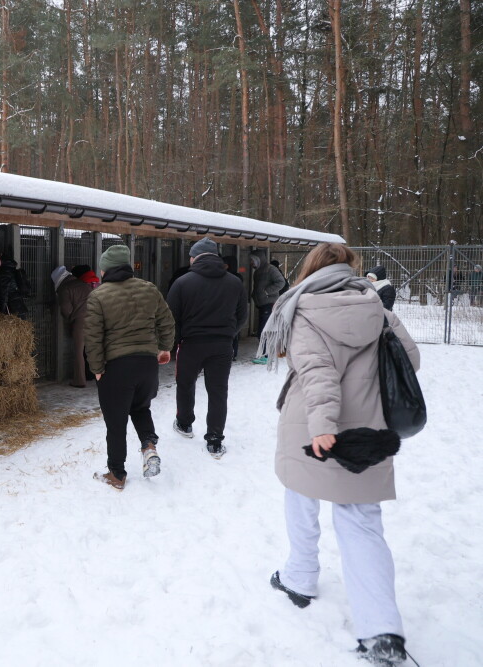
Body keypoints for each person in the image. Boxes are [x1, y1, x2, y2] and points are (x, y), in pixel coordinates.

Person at [260, 243, 419, 666]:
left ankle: (299, 578)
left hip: (311, 426)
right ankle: (382, 630)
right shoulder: (379, 309)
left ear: (310, 270)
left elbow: (317, 372)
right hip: (369, 428)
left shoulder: (302, 309)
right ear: (351, 270)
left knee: (299, 497)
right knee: (362, 524)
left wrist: (323, 426)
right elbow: (412, 361)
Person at [85, 245, 175, 488]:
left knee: (116, 423)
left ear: (104, 270)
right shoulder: (149, 289)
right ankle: (149, 446)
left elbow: (93, 338)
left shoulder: (98, 296)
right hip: (146, 364)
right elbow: (167, 322)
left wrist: (96, 368)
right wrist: (164, 348)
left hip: (116, 367)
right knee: (141, 407)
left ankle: (116, 474)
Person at [166, 238, 248, 458]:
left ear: (194, 257)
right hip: (222, 345)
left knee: (185, 384)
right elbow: (242, 316)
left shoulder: (183, 282)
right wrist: (228, 333)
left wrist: (178, 339)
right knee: (218, 391)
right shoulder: (235, 282)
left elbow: (171, 316)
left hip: (191, 343)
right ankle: (214, 439)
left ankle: (184, 423)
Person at [52, 265, 94, 388]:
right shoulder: (83, 284)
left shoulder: (64, 289)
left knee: (79, 352)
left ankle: (79, 380)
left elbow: (66, 310)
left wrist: (70, 320)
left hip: (81, 322)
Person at [249, 251, 285, 362]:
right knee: (262, 330)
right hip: (261, 304)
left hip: (269, 304)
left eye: (252, 260)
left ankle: (266, 355)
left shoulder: (271, 269)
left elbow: (281, 282)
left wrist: (266, 292)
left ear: (258, 260)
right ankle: (265, 353)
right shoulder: (257, 272)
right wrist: (254, 295)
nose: (250, 263)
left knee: (264, 330)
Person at [0, 252, 29, 318]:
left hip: (12, 308)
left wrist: (1, 310)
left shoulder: (4, 272)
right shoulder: (10, 269)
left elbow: (4, 292)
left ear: (1, 260)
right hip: (18, 305)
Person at [222, 255, 244, 360]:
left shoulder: (232, 278)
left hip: (231, 307)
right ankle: (233, 353)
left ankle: (232, 353)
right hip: (233, 307)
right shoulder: (237, 277)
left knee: (232, 332)